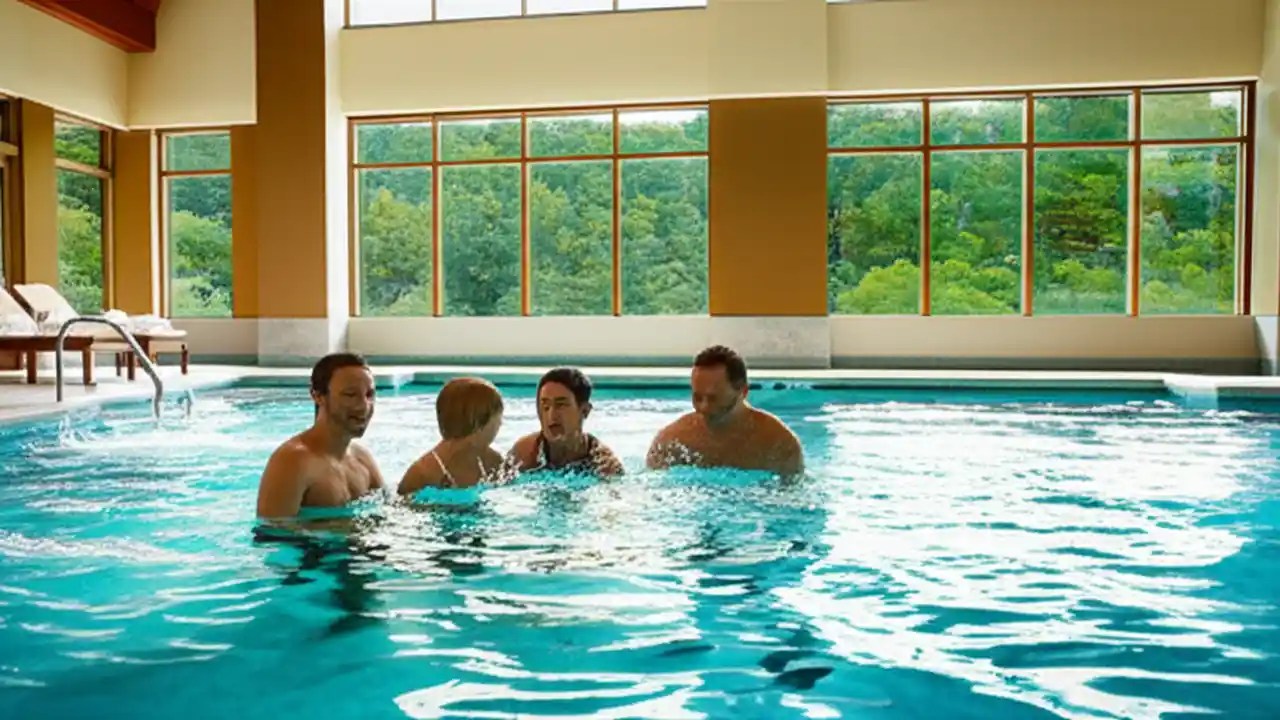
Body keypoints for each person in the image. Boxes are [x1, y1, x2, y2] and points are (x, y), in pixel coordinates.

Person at [256, 352, 386, 518]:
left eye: (369, 395)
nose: (363, 406)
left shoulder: (363, 459)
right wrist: (341, 531)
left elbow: (390, 510)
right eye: (350, 395)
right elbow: (271, 532)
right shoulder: (293, 461)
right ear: (318, 396)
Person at [646, 345, 804, 476]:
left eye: (714, 398)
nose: (704, 407)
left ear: (743, 392)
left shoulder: (778, 444)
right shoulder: (673, 441)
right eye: (697, 397)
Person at [508, 367, 624, 477]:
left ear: (584, 411)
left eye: (561, 405)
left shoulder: (604, 465)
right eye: (545, 406)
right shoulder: (524, 453)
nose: (551, 415)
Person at [399, 377, 507, 493]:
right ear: (479, 422)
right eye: (498, 418)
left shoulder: (494, 463)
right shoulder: (423, 474)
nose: (501, 424)